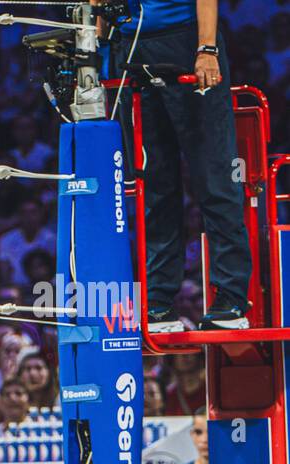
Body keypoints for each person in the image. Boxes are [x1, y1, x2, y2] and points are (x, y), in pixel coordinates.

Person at [102, 0, 253, 333]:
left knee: (215, 179)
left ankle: (231, 298)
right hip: (131, 50)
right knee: (154, 186)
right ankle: (158, 301)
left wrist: (207, 48)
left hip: (188, 44)